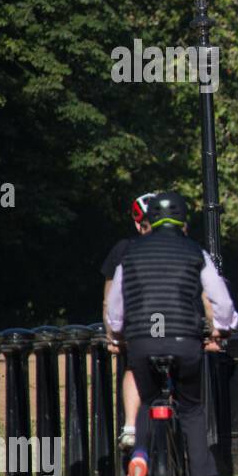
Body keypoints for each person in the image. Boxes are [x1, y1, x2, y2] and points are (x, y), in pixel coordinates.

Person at [104, 191, 238, 476]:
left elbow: (116, 306)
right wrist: (224, 327)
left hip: (142, 341)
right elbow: (221, 300)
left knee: (150, 401)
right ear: (184, 223)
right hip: (184, 339)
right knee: (191, 409)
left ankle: (139, 455)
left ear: (148, 221)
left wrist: (117, 334)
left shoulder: (130, 254)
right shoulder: (196, 252)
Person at [101, 192, 156, 451]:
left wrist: (113, 335)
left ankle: (131, 427)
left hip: (137, 330)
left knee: (134, 368)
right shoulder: (182, 246)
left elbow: (111, 300)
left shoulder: (124, 250)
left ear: (137, 223)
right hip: (178, 332)